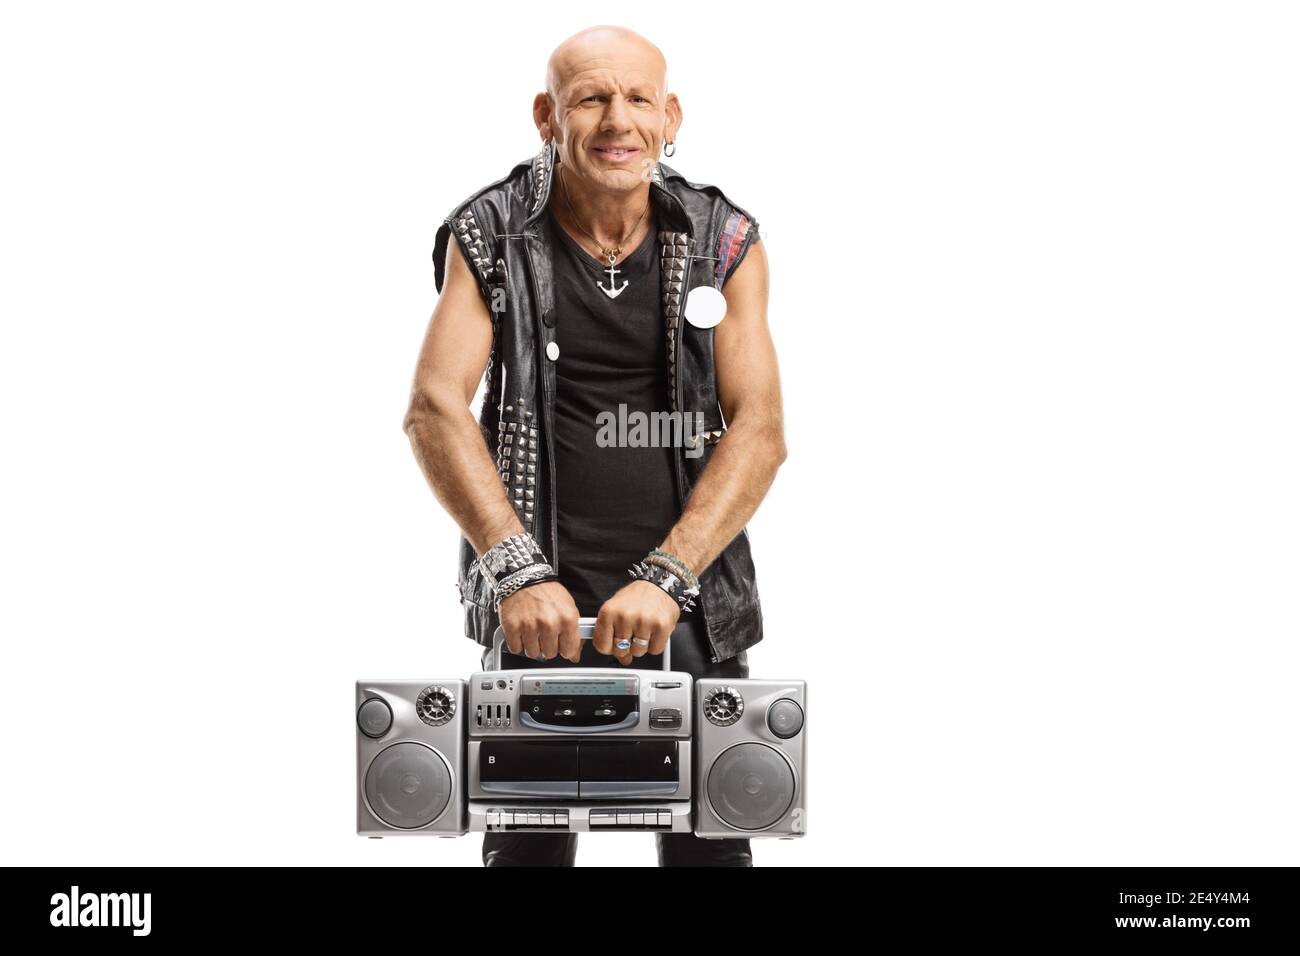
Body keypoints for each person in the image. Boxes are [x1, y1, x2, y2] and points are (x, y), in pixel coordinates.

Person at [403, 25, 786, 866]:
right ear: (548, 116)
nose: (619, 120)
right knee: (529, 847)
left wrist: (669, 578)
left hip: (694, 595)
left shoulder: (727, 238)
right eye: (591, 98)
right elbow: (435, 406)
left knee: (711, 845)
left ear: (670, 115)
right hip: (538, 602)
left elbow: (759, 428)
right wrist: (516, 569)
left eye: (639, 98)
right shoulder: (490, 230)